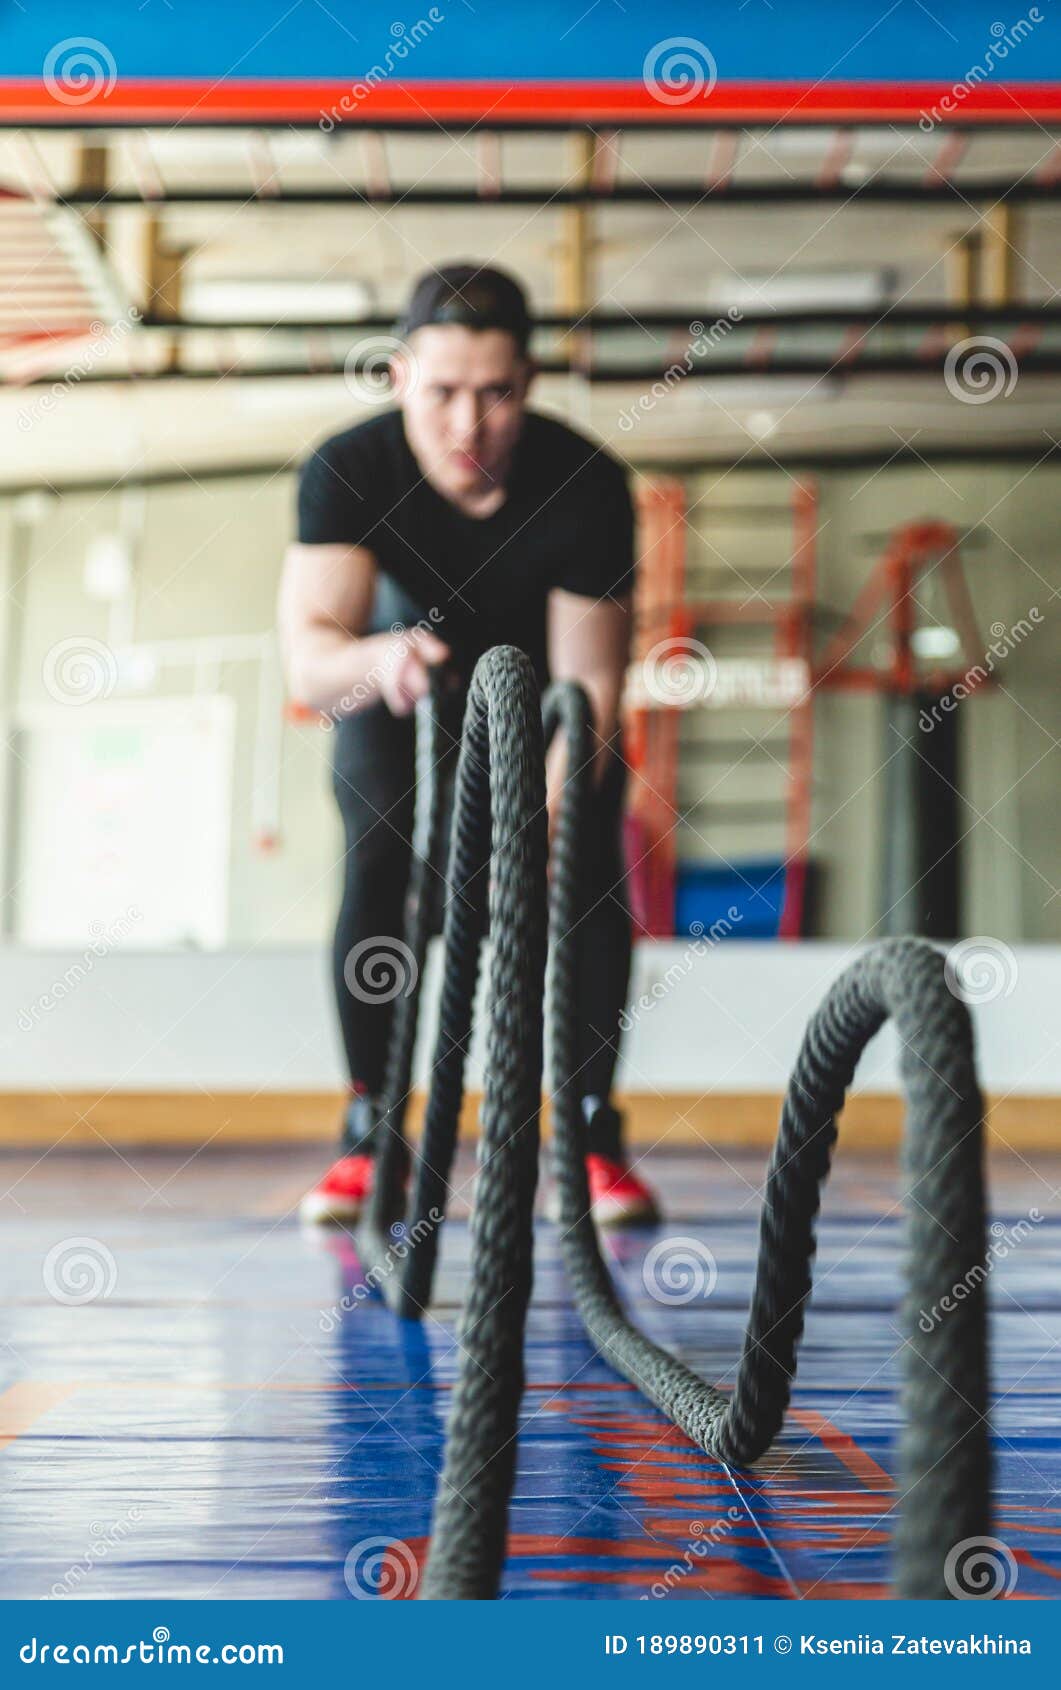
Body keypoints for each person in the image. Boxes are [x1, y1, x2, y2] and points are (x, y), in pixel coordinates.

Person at [278, 262, 659, 1228]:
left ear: (525, 386)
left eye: (494, 396)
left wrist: (537, 827)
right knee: (377, 866)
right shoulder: (349, 470)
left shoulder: (585, 485)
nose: (466, 426)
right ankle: (371, 1131)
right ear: (401, 375)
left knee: (585, 879)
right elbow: (308, 664)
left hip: (543, 710)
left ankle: (586, 1131)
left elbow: (596, 690)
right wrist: (379, 655)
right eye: (442, 392)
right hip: (400, 691)